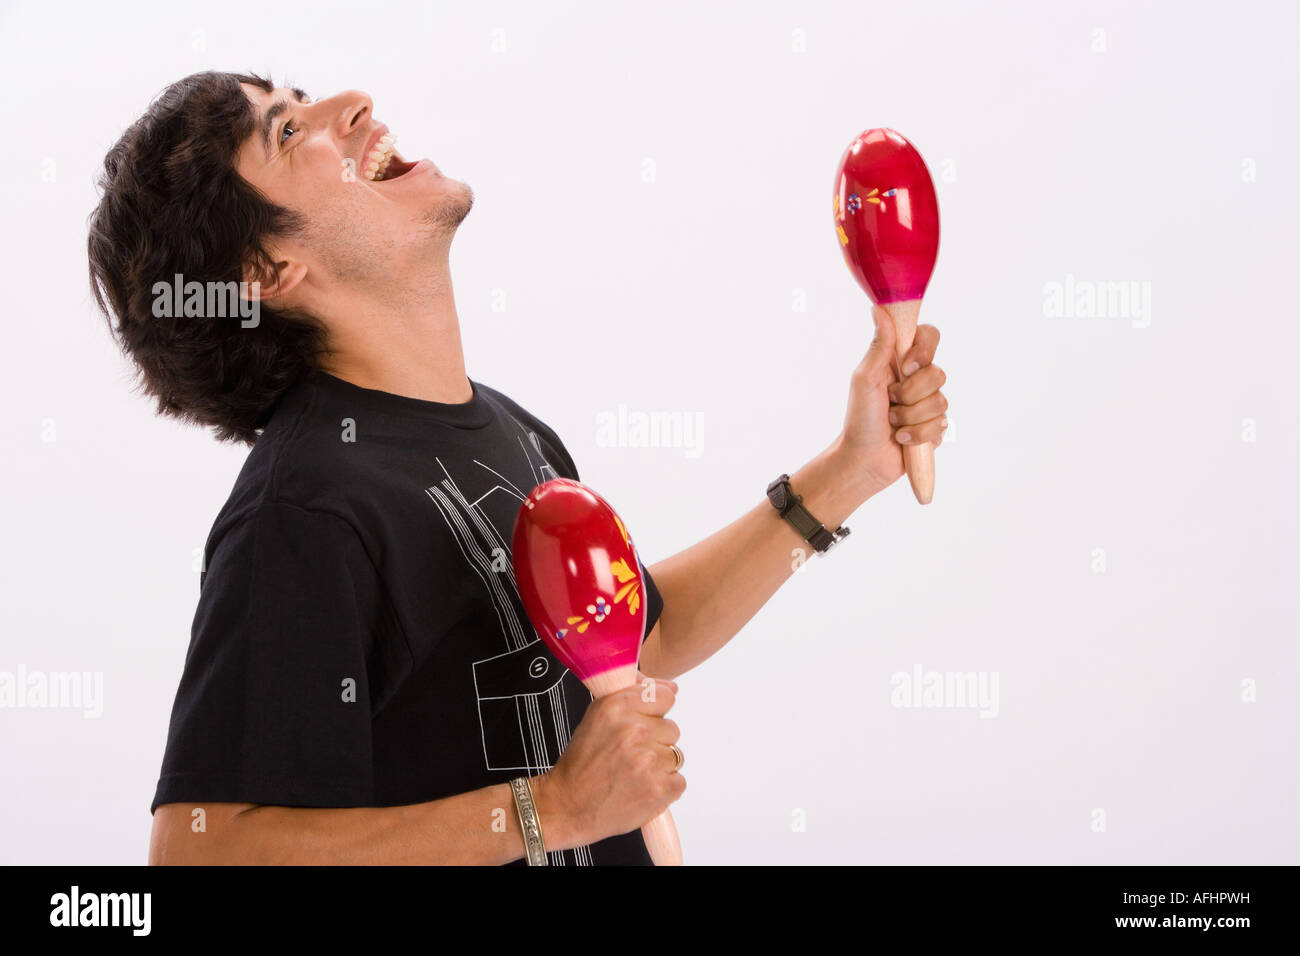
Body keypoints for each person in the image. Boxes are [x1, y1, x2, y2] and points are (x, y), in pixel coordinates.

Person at [87, 71, 949, 865]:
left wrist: (851, 469)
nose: (347, 104)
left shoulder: (507, 427)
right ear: (269, 270)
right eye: (285, 131)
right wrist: (550, 811)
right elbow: (200, 853)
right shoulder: (304, 506)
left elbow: (638, 637)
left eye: (299, 97)